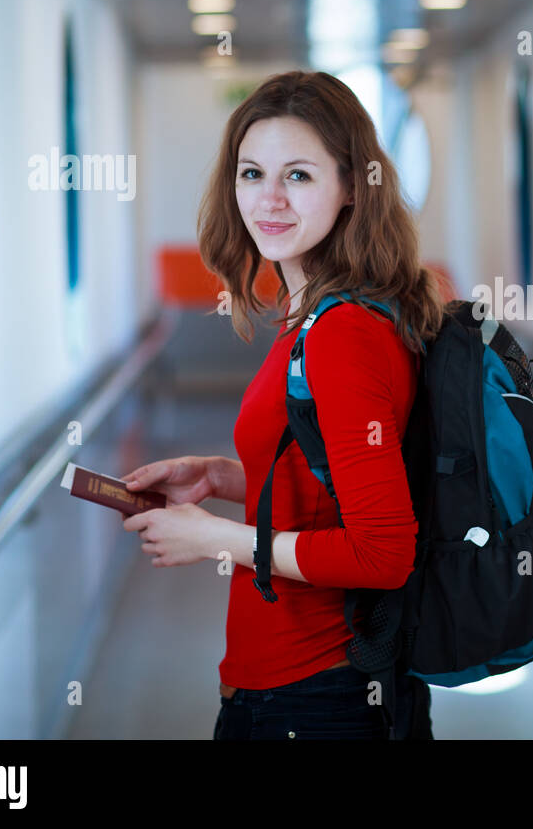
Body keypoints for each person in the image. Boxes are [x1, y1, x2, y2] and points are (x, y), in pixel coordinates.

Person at [121, 69, 445, 739]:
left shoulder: (343, 333)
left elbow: (383, 552)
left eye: (298, 175)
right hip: (301, 692)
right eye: (251, 173)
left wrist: (213, 537)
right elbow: (337, 477)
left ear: (352, 186)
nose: (268, 199)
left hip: (318, 699)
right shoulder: (323, 315)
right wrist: (225, 476)